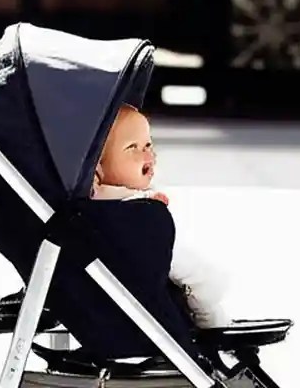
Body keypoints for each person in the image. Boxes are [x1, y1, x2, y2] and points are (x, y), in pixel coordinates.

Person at [92, 104, 234, 329]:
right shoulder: (106, 201)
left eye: (148, 144)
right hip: (152, 249)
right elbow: (99, 194)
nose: (148, 154)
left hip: (149, 262)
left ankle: (215, 321)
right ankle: (213, 327)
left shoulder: (104, 198)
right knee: (207, 281)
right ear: (97, 168)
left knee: (203, 282)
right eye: (132, 148)